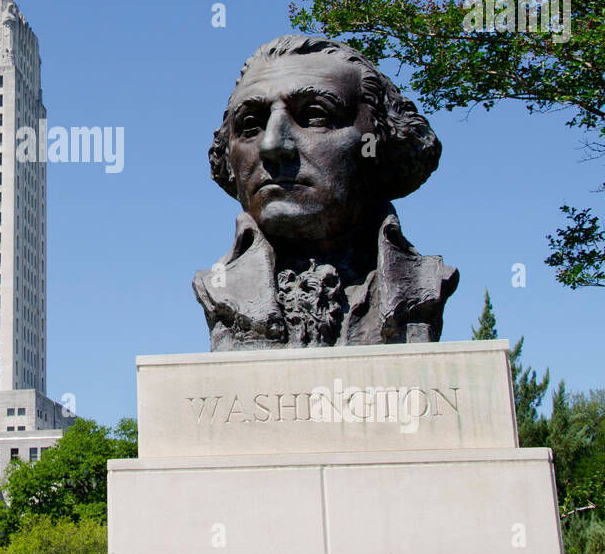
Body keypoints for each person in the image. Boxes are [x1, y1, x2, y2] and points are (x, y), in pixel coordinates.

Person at [194, 35, 458, 349]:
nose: (272, 146)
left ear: (381, 142)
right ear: (228, 158)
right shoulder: (218, 289)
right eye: (250, 124)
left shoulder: (424, 285)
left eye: (315, 116)